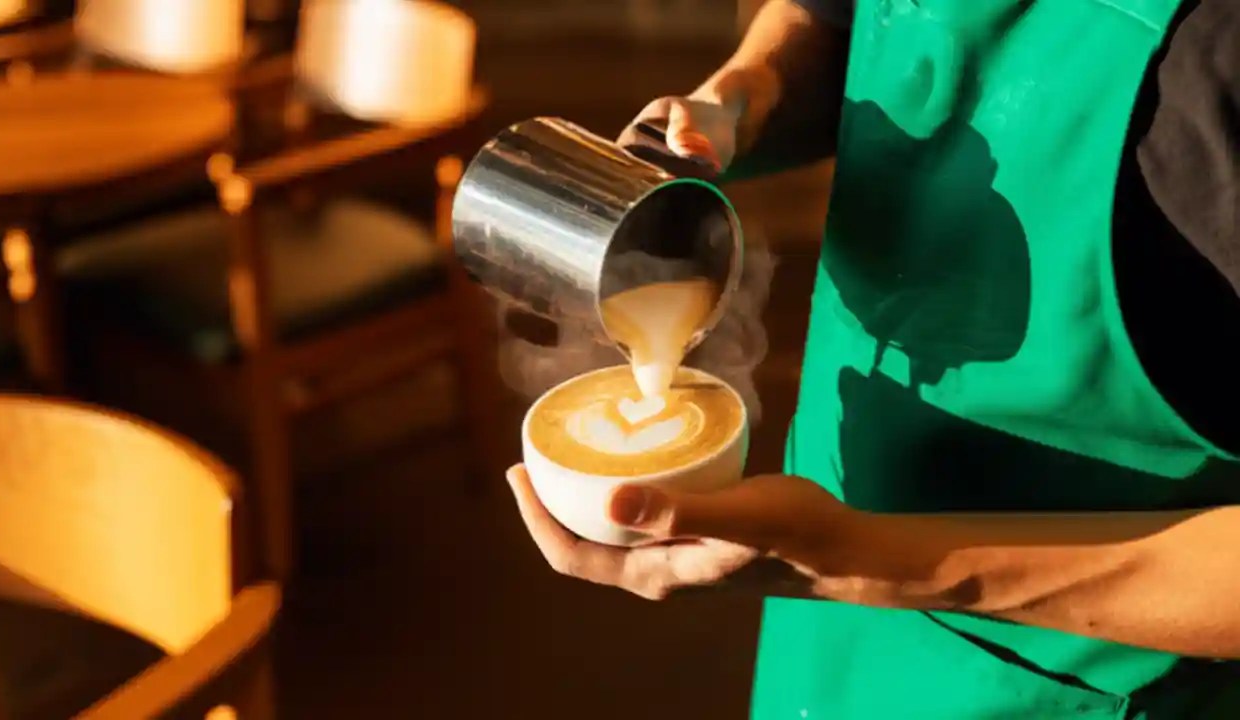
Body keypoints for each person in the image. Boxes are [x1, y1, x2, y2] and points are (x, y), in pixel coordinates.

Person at [506, 0, 1240, 716]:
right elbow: (838, 17)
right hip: (824, 625)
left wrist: (865, 560)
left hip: (1086, 676)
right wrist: (744, 94)